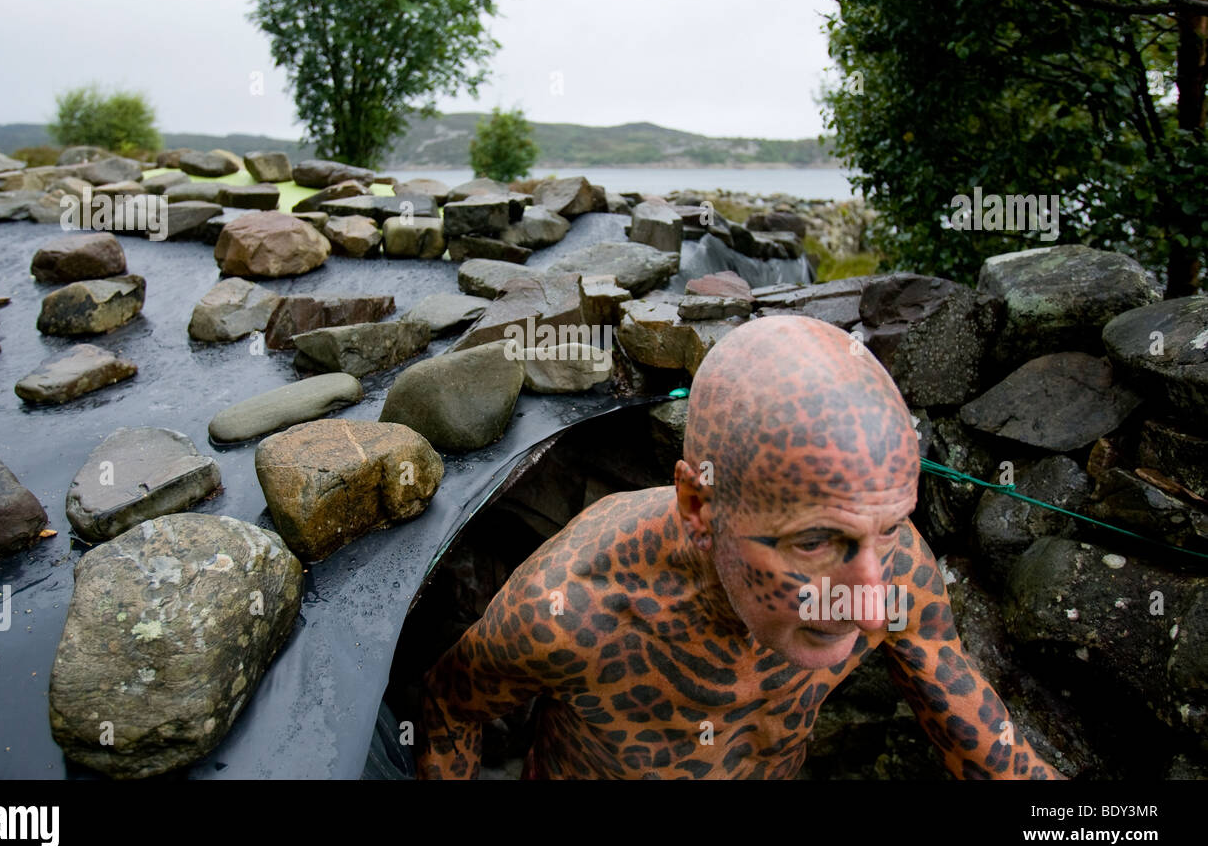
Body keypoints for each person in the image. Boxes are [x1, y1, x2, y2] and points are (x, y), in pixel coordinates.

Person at [417, 314, 1064, 779]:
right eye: (815, 542)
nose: (873, 607)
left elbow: (986, 747)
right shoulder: (570, 611)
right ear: (701, 507)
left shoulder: (888, 565)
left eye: (890, 526)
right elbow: (448, 710)